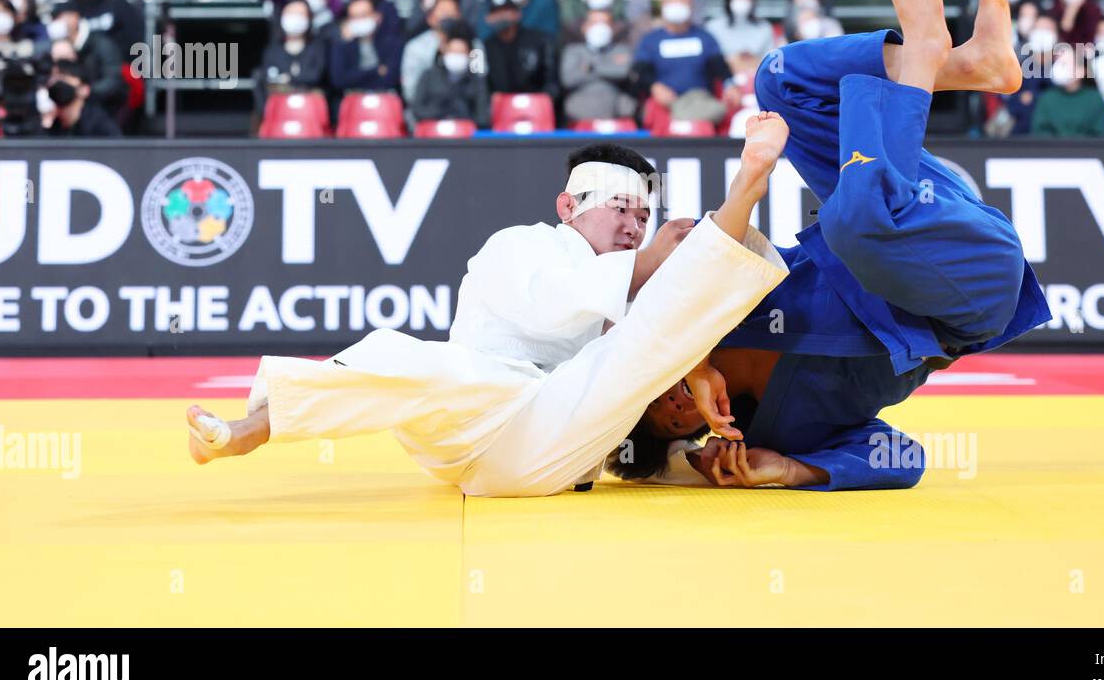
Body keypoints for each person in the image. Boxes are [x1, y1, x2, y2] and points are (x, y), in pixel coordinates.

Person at [608, 0, 1048, 490]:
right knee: (852, 219)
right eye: (675, 422)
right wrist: (793, 468)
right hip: (969, 290)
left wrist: (690, 351)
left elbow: (686, 237)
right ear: (699, 432)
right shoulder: (785, 431)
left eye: (658, 398)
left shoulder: (701, 311)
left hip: (926, 207)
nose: (675, 404)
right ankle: (922, 57)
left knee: (778, 81)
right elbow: (902, 457)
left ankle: (967, 66)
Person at [187, 132, 789, 498]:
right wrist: (648, 266)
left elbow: (635, 369)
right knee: (401, 353)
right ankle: (254, 428)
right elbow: (551, 305)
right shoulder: (519, 246)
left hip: (549, 454)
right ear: (568, 206)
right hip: (468, 424)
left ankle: (743, 194)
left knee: (639, 347)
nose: (635, 226)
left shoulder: (632, 282)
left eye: (643, 216)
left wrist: (698, 403)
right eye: (621, 209)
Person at [633, 0, 732, 125]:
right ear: (663, 4)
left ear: (691, 4)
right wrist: (654, 87)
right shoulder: (650, 40)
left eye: (682, 0)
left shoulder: (705, 38)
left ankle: (683, 116)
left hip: (700, 101)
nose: (677, 5)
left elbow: (721, 68)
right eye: (672, 0)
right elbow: (640, 72)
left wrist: (730, 85)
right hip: (663, 105)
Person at [410, 21, 492, 129]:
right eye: (453, 51)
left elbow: (483, 117)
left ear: (469, 54)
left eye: (461, 52)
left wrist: (461, 115)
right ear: (444, 52)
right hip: (432, 132)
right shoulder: (428, 76)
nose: (456, 56)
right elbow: (417, 110)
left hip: (467, 134)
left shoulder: (477, 80)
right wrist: (441, 112)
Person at [560, 9, 638, 123]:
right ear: (585, 27)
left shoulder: (622, 50)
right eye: (595, 23)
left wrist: (591, 68)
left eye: (604, 23)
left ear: (613, 28)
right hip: (579, 112)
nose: (600, 28)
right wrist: (609, 68)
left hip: (617, 110)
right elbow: (568, 79)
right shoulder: (573, 50)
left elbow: (624, 72)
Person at [481, 0, 559, 106]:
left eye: (505, 11)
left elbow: (551, 81)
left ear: (517, 14)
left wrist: (543, 100)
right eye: (496, 13)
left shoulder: (540, 41)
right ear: (488, 18)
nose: (501, 16)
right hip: (500, 107)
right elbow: (480, 84)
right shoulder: (483, 47)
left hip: (536, 105)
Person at [252, 0, 328, 114]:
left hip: (310, 110)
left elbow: (315, 76)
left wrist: (288, 79)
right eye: (291, 13)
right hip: (278, 110)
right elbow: (268, 79)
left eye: (300, 14)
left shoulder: (319, 47)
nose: (295, 18)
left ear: (309, 18)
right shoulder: (273, 49)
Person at [328, 0, 402, 93]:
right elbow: (339, 80)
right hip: (352, 97)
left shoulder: (392, 42)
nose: (359, 20)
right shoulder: (343, 44)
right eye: (354, 17)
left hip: (386, 96)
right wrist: (376, 71)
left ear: (377, 16)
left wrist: (357, 78)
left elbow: (390, 79)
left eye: (364, 15)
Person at [1029, 47, 1104, 137]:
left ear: (1081, 71)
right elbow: (1039, 132)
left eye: (1064, 64)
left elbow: (1099, 133)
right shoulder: (1047, 98)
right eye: (1057, 62)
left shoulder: (1095, 99)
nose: (1058, 68)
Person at [43, 60, 122, 138]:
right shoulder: (49, 126)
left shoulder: (101, 127)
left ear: (84, 89)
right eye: (52, 76)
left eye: (63, 76)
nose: (54, 82)